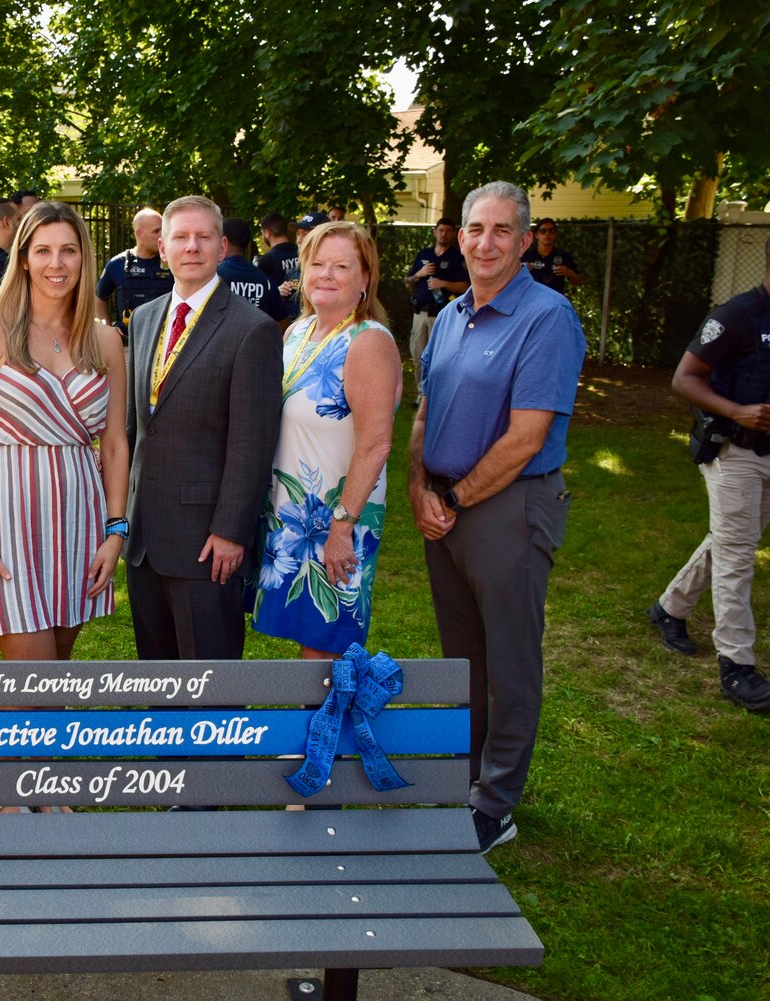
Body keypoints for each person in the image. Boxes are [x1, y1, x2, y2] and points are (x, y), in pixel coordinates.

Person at [408, 181, 585, 854]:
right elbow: (425, 412)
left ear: (522, 238)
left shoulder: (547, 317)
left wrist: (453, 499)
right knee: (466, 658)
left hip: (507, 506)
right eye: (474, 228)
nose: (484, 242)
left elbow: (527, 436)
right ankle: (466, 777)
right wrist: (420, 485)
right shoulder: (453, 314)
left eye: (502, 230)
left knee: (509, 659)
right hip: (446, 506)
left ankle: (497, 801)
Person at [646, 224, 770, 712]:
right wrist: (736, 410)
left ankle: (669, 608)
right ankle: (737, 666)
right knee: (739, 552)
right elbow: (685, 378)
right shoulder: (737, 315)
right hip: (734, 453)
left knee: (731, 540)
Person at [0, 201, 130, 659]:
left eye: (68, 250)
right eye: (43, 250)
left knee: (57, 674)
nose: (56, 263)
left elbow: (113, 444)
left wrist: (116, 531)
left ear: (83, 258)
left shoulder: (105, 340)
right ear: (24, 258)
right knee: (30, 687)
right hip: (10, 520)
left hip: (81, 518)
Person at [125, 195, 283, 660]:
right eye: (180, 237)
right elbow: (139, 428)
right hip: (145, 540)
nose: (191, 246)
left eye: (203, 237)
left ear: (221, 247)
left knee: (208, 689)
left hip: (206, 543)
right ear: (163, 245)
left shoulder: (251, 329)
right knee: (159, 682)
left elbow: (252, 443)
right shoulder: (145, 319)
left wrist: (231, 531)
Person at [251, 222, 403, 657]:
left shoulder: (368, 341)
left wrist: (342, 526)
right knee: (307, 645)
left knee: (324, 647)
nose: (327, 274)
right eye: (317, 264)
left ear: (365, 278)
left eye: (341, 265)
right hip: (293, 516)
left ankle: (328, 726)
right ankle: (314, 723)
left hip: (337, 519)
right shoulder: (298, 332)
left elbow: (376, 444)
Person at [403, 216, 468, 396]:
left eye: (448, 231)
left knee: (439, 357)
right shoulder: (424, 255)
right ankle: (420, 393)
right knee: (417, 355)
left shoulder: (457, 258)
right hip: (419, 313)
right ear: (434, 232)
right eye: (441, 230)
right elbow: (408, 282)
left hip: (442, 315)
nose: (444, 234)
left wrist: (444, 284)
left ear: (454, 234)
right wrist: (420, 273)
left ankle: (437, 393)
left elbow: (466, 286)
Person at [95, 207, 174, 339]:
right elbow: (99, 297)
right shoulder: (117, 264)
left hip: (164, 341)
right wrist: (107, 329)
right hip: (128, 343)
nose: (162, 235)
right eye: (156, 231)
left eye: (163, 230)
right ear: (139, 234)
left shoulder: (173, 263)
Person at [216, 217, 283, 322]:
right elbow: (282, 321)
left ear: (223, 241)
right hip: (258, 337)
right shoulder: (266, 281)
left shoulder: (213, 276)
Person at [256, 212, 301, 330]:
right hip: (305, 316)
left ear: (267, 232)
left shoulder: (266, 260)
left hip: (280, 321)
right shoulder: (302, 254)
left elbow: (261, 293)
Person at [520, 218, 582, 294]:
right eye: (543, 231)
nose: (547, 234)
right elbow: (510, 279)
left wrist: (569, 272)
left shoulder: (563, 255)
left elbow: (577, 282)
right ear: (536, 235)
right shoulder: (526, 254)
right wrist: (521, 268)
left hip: (554, 302)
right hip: (530, 300)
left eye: (551, 231)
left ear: (555, 234)